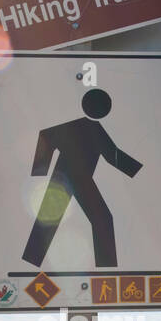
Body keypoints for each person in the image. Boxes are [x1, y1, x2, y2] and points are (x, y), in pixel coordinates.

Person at [22, 88, 142, 269]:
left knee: (96, 218)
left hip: (76, 179)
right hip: (68, 178)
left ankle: (105, 267)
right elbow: (46, 135)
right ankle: (107, 267)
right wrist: (40, 171)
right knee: (100, 218)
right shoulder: (82, 126)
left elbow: (112, 155)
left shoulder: (91, 128)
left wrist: (137, 171)